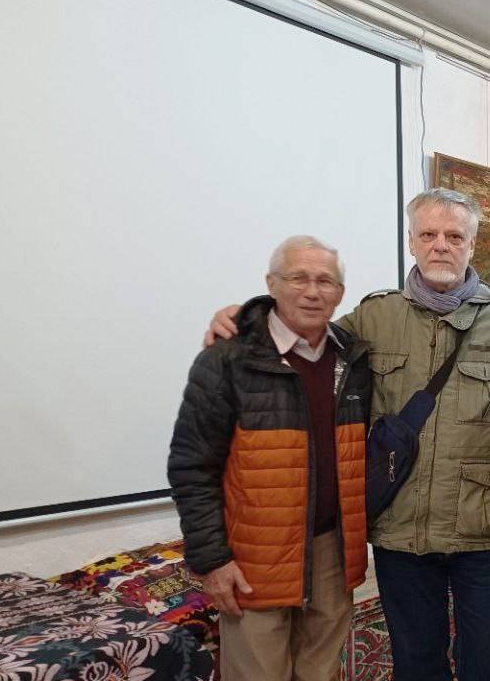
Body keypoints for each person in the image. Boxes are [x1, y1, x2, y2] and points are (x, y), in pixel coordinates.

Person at [205, 189, 490, 681]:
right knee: (416, 665)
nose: (441, 245)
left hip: (482, 537)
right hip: (401, 530)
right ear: (411, 242)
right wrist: (243, 318)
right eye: (429, 234)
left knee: (486, 665)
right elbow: (300, 341)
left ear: (471, 245)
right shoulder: (374, 318)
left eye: (454, 236)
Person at [169, 235, 372, 681]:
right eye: (298, 278)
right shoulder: (228, 358)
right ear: (271, 284)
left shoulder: (354, 358)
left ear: (340, 293)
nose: (312, 291)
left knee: (320, 673)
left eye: (325, 281)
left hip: (333, 551)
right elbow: (191, 467)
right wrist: (212, 560)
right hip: (254, 556)